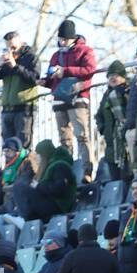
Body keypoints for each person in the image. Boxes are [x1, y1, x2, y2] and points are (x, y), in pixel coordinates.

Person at [43, 19, 97, 167]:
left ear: (73, 38)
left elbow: (90, 70)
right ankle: (67, 168)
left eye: (65, 39)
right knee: (64, 139)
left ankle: (87, 169)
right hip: (59, 98)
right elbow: (51, 78)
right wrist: (45, 81)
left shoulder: (85, 50)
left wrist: (65, 71)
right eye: (60, 39)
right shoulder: (56, 55)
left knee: (82, 136)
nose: (62, 42)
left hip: (78, 98)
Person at [0, 32, 41, 148]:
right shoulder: (7, 59)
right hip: (7, 109)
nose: (11, 51)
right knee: (8, 147)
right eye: (7, 47)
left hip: (24, 108)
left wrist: (16, 67)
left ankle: (25, 166)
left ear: (21, 43)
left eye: (13, 47)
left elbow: (35, 78)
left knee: (23, 146)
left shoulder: (31, 57)